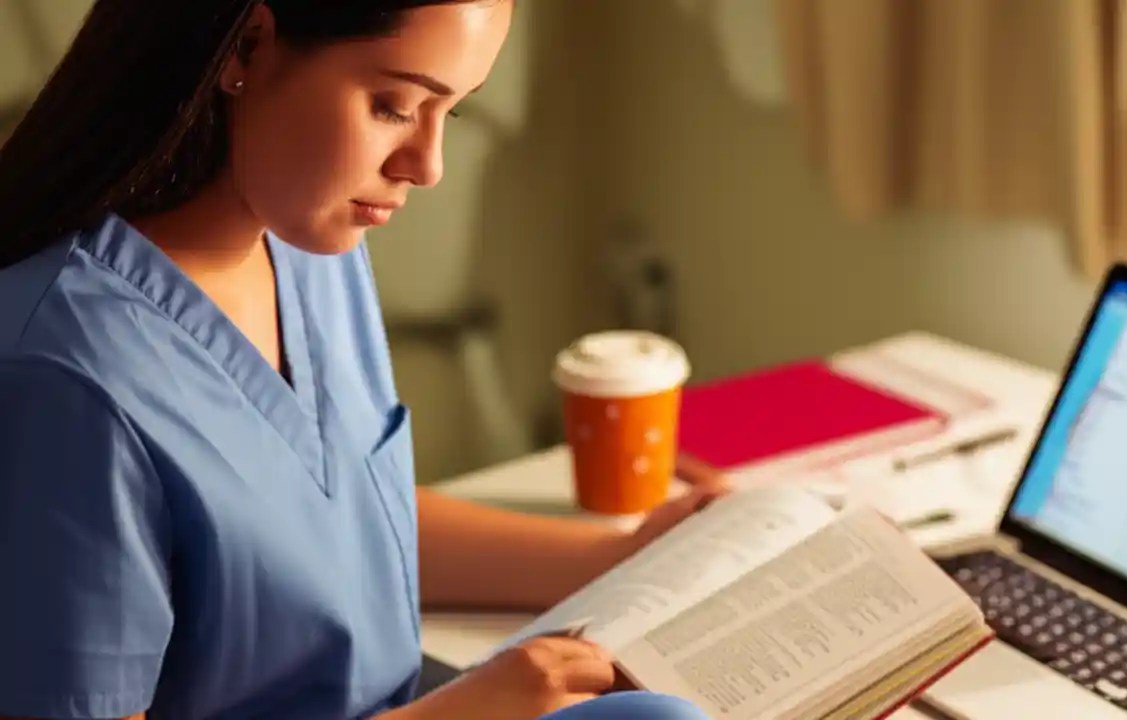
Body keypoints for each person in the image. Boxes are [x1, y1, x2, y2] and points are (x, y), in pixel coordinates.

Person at [0, 1, 722, 718]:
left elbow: (327, 526)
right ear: (246, 47)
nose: (427, 165)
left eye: (454, 112)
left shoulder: (307, 242)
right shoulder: (64, 377)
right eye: (393, 106)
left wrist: (613, 562)